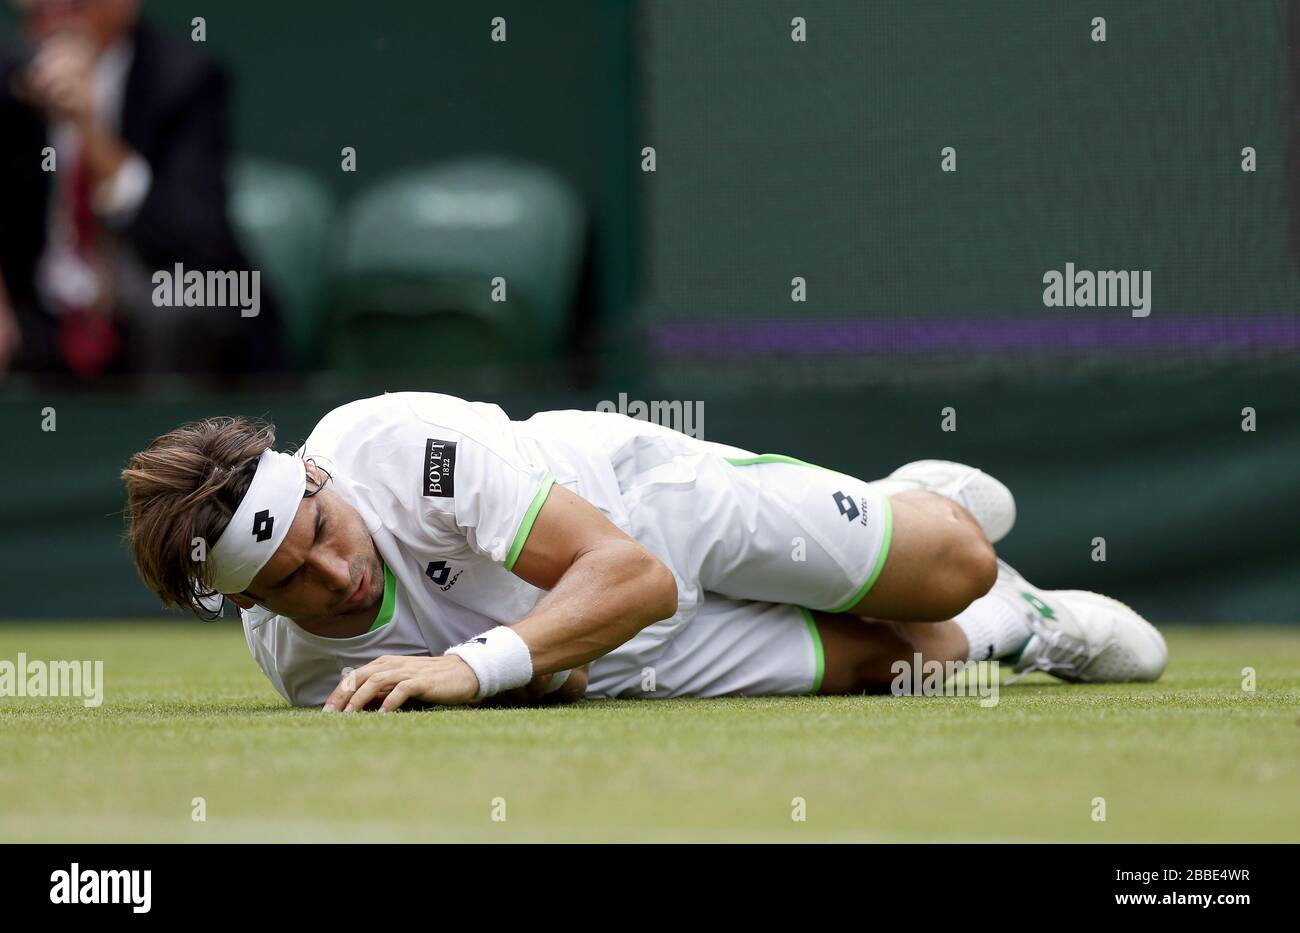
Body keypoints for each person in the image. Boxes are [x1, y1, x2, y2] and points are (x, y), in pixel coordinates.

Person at [119, 392, 1168, 711]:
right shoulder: (301, 667)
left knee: (955, 562)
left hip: (647, 510)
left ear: (313, 479)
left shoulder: (400, 446)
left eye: (322, 536)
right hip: (590, 644)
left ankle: (912, 505)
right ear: (247, 608)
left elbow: (633, 575)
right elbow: (547, 679)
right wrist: (530, 677)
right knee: (904, 665)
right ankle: (1025, 627)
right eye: (288, 586)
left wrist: (469, 665)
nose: (334, 577)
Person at [0, 0, 284, 381]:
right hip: (45, 315)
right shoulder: (9, 78)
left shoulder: (184, 77)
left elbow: (192, 240)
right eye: (37, 13)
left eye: (74, 8)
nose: (53, 20)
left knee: (174, 309)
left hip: (156, 302)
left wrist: (89, 129)